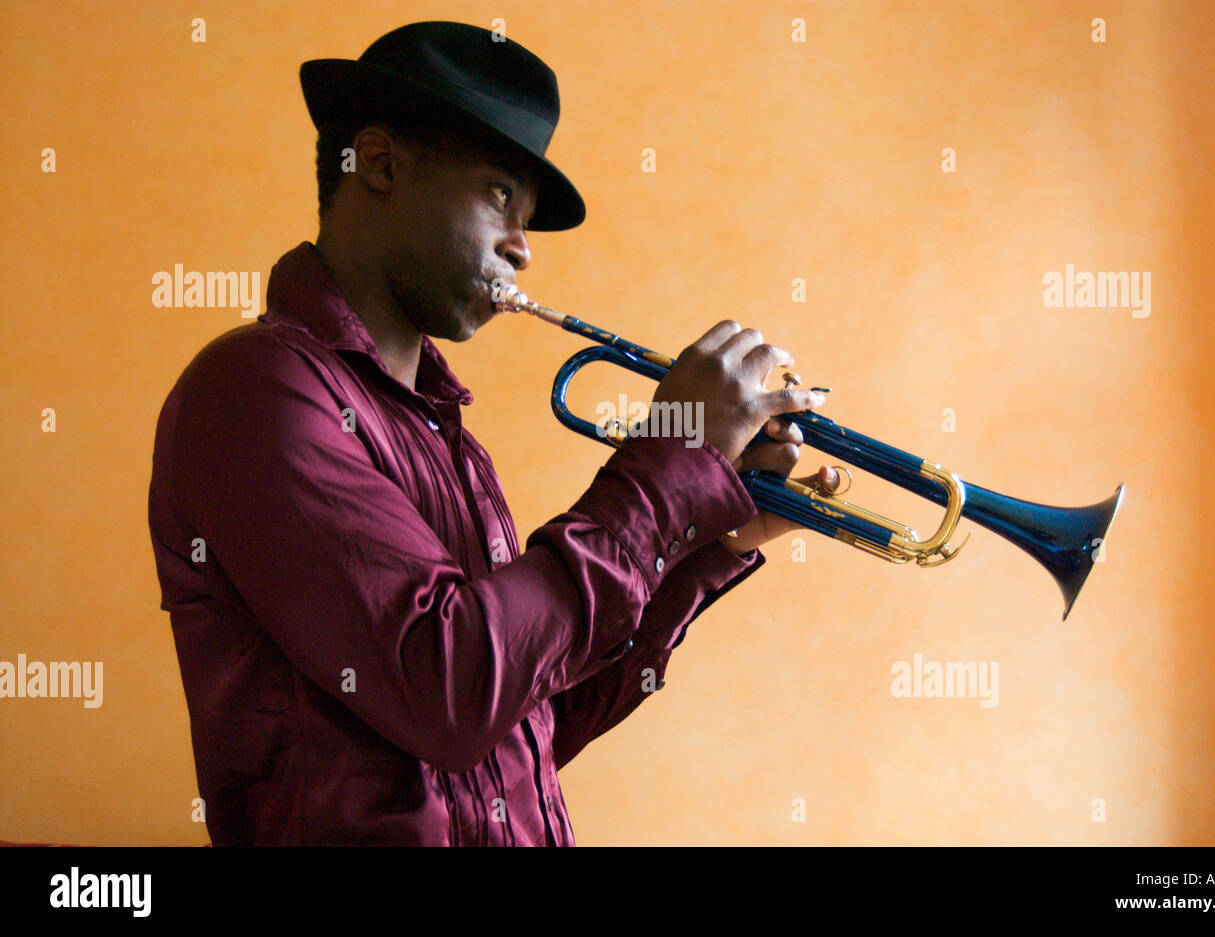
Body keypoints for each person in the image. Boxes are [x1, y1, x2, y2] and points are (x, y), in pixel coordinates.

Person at [147, 21, 833, 845]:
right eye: (501, 196)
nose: (523, 248)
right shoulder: (254, 389)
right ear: (380, 164)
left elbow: (531, 722)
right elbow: (451, 688)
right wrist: (669, 466)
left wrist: (706, 546)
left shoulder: (451, 443)